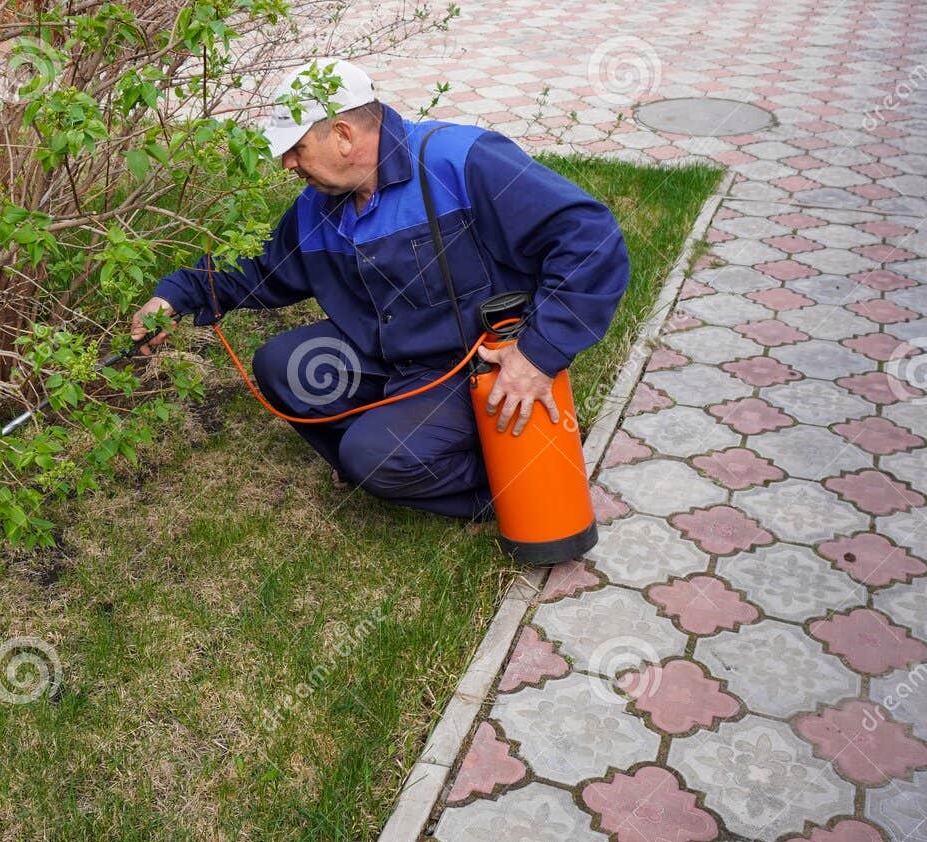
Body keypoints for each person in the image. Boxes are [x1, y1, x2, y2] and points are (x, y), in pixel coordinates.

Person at [131, 58, 630, 519]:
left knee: (375, 457)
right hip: (389, 354)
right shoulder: (320, 205)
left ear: (343, 135)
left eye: (296, 148)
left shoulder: (461, 160)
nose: (287, 164)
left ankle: (512, 476)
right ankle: (387, 454)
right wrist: (177, 294)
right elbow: (261, 268)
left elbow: (591, 237)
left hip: (477, 366)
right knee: (283, 366)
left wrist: (540, 353)